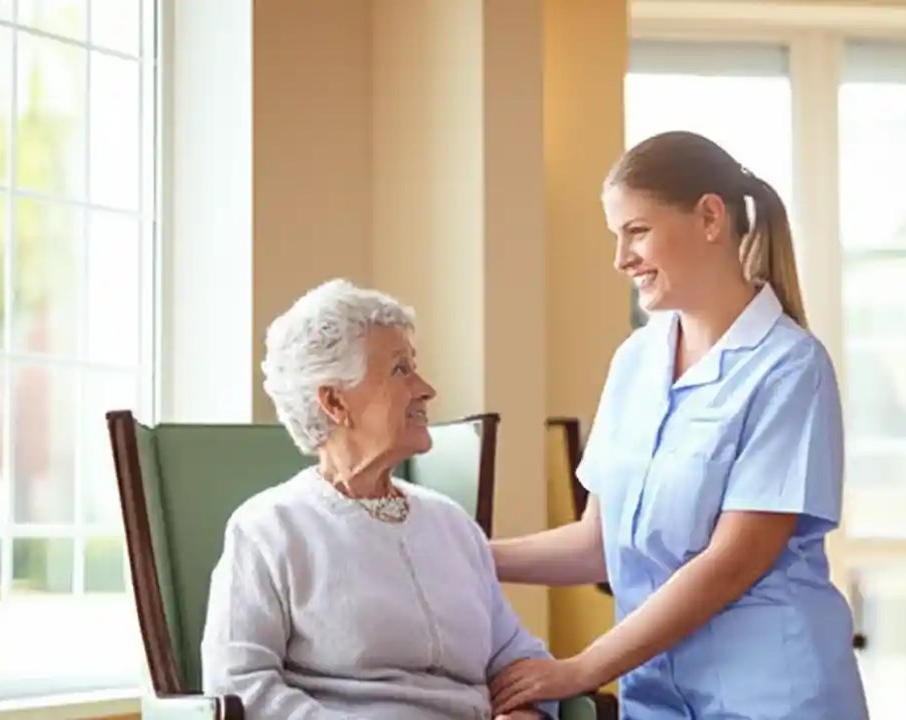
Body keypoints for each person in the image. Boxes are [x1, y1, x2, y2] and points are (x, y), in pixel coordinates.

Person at [488, 131, 869, 719]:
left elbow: (732, 563)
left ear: (710, 217)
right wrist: (461, 553)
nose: (621, 259)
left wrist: (581, 669)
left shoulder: (790, 367)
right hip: (659, 701)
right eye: (616, 237)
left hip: (773, 698)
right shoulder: (635, 362)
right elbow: (598, 545)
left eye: (636, 231)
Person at [201, 279, 555, 720]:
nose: (426, 388)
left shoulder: (452, 523)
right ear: (334, 401)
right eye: (400, 369)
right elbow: (240, 686)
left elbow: (517, 659)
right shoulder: (269, 529)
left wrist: (527, 714)